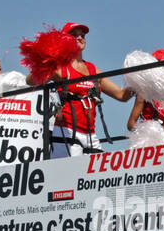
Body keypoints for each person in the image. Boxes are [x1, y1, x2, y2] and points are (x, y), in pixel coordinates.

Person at [46, 23, 133, 156]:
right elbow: (30, 80)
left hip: (90, 135)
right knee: (69, 175)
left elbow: (122, 96)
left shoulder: (94, 70)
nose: (80, 38)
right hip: (65, 130)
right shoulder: (60, 67)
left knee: (97, 173)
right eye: (74, 35)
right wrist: (44, 62)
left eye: (82, 35)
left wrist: (139, 80)